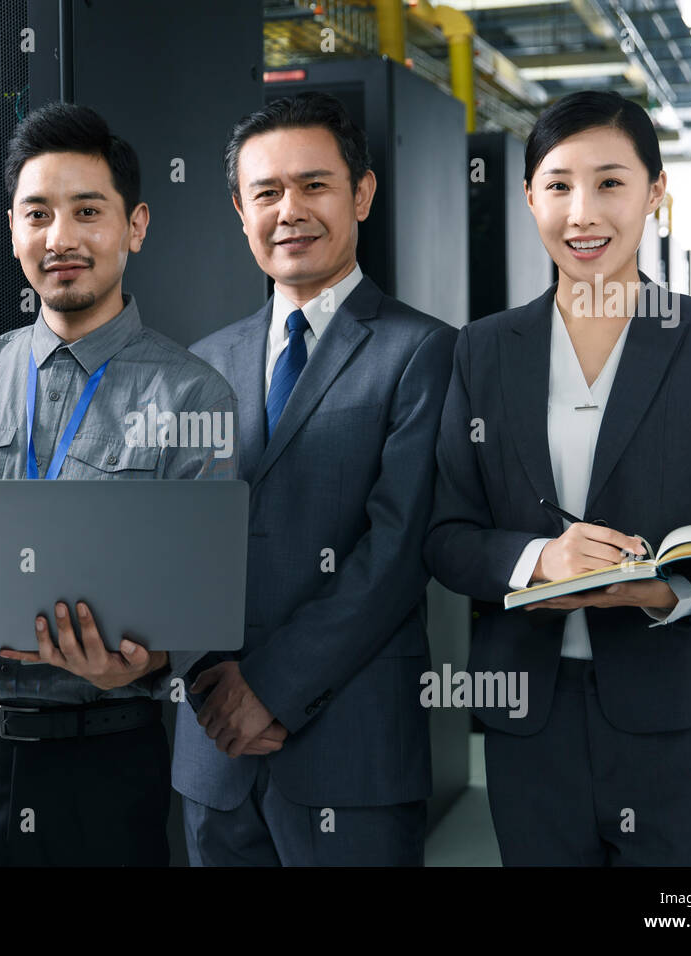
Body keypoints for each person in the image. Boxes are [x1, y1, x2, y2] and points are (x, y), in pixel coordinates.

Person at [0, 102, 254, 866]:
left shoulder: (193, 398)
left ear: (134, 226)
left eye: (87, 212)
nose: (60, 238)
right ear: (13, 230)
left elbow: (200, 589)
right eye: (37, 214)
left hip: (100, 761)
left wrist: (148, 661)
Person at [423, 89, 691, 865]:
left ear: (655, 193)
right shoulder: (484, 349)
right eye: (558, 185)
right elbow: (445, 537)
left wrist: (672, 591)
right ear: (529, 195)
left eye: (610, 182)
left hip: (677, 711)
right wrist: (539, 560)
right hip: (527, 715)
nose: (582, 213)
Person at [170, 91, 456, 866]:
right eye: (266, 192)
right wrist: (210, 687)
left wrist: (268, 688)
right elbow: (170, 547)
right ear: (239, 209)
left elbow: (397, 552)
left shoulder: (423, 351)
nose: (288, 210)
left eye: (314, 185)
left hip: (352, 746)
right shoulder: (203, 363)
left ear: (360, 193)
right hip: (213, 748)